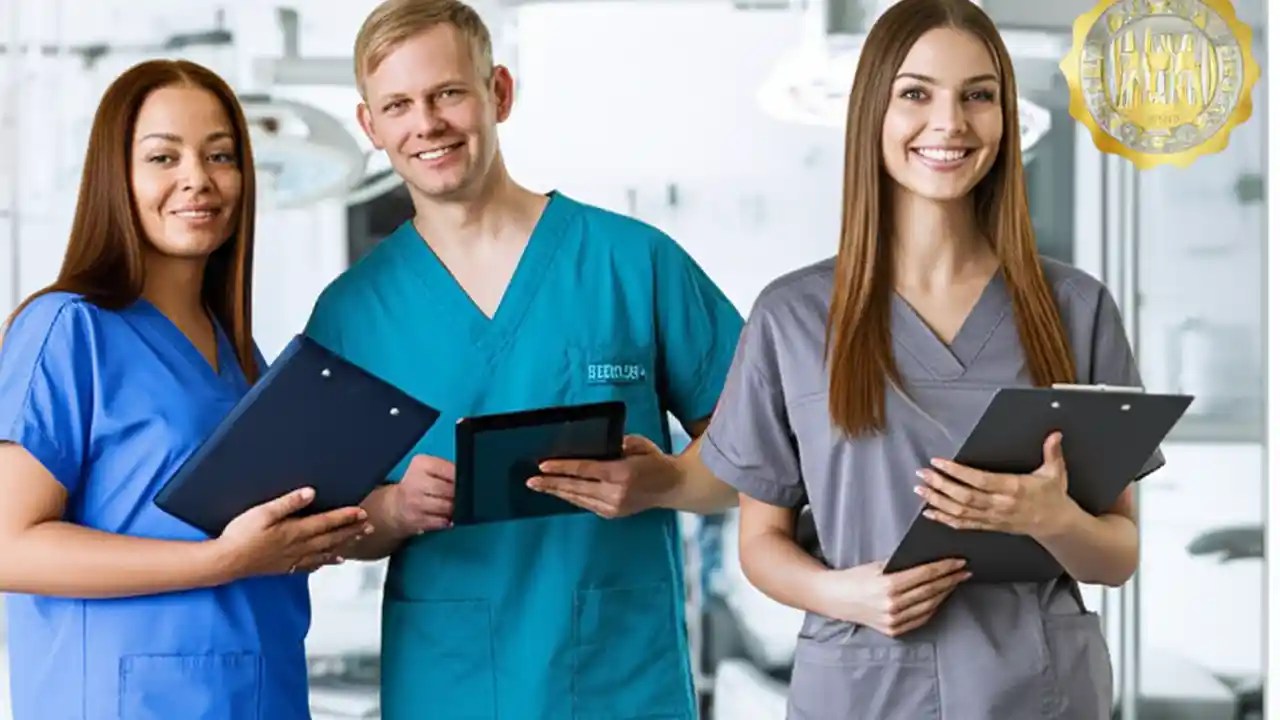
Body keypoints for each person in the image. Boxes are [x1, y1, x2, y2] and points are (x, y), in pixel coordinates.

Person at [698, 1, 1165, 718]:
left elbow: (1118, 555)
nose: (950, 123)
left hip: (1038, 692)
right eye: (916, 93)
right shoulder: (792, 317)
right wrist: (841, 592)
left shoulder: (1075, 308)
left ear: (1006, 119)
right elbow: (760, 542)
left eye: (978, 95)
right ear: (871, 116)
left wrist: (1050, 518)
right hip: (863, 690)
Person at [302, 0, 744, 717]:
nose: (427, 123)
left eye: (448, 93)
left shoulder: (633, 263)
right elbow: (330, 523)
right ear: (370, 126)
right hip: (452, 683)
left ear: (498, 93)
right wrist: (395, 508)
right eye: (399, 105)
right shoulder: (351, 316)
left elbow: (762, 459)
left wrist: (665, 482)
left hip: (618, 676)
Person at [0, 59, 372, 720]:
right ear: (117, 176)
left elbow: (260, 539)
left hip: (261, 695)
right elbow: (7, 545)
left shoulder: (239, 353)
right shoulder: (67, 330)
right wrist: (219, 561)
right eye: (163, 157)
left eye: (220, 155)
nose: (197, 179)